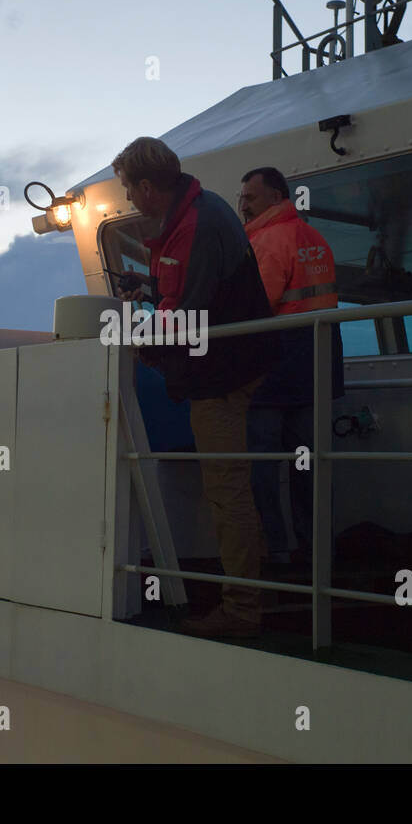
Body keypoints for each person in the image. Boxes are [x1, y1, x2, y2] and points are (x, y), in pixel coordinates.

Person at [112, 136, 275, 638]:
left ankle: (243, 611)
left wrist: (135, 339)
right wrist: (152, 297)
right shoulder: (197, 212)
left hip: (221, 377)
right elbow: (185, 296)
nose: (129, 202)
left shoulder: (196, 226)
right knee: (232, 490)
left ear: (145, 185)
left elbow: (190, 318)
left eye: (129, 191)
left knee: (227, 492)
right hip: (226, 369)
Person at [237, 167, 344, 565]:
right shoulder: (314, 238)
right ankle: (318, 550)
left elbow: (255, 307)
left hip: (273, 369)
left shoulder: (266, 242)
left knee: (262, 464)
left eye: (250, 197)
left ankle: (276, 550)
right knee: (310, 464)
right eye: (243, 197)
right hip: (315, 363)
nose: (244, 204)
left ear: (278, 197)